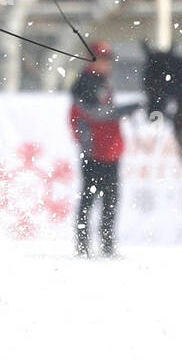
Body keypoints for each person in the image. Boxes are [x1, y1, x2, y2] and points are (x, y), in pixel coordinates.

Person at [69, 42, 135, 257]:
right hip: (94, 150)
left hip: (111, 150)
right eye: (103, 59)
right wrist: (125, 110)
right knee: (89, 199)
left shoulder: (102, 82)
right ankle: (83, 244)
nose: (108, 64)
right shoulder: (85, 83)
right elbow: (97, 113)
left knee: (110, 200)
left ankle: (106, 244)